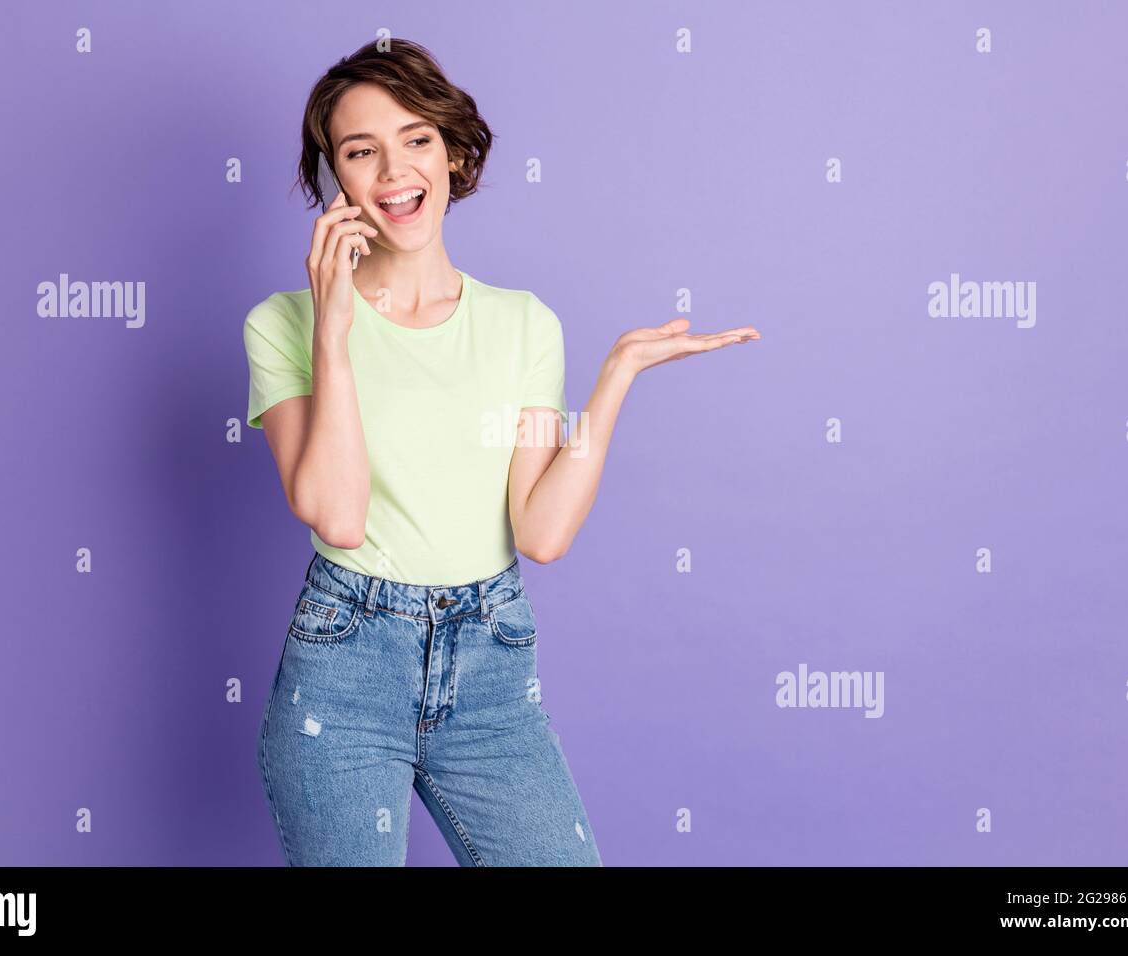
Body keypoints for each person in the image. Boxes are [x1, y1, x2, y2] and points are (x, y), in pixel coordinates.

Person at [243, 37, 759, 867]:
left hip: (489, 664)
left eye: (415, 138)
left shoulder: (524, 324)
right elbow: (337, 515)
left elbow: (542, 533)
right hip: (344, 670)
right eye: (360, 151)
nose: (393, 171)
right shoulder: (283, 325)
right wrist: (334, 332)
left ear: (450, 151)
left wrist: (614, 380)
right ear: (334, 177)